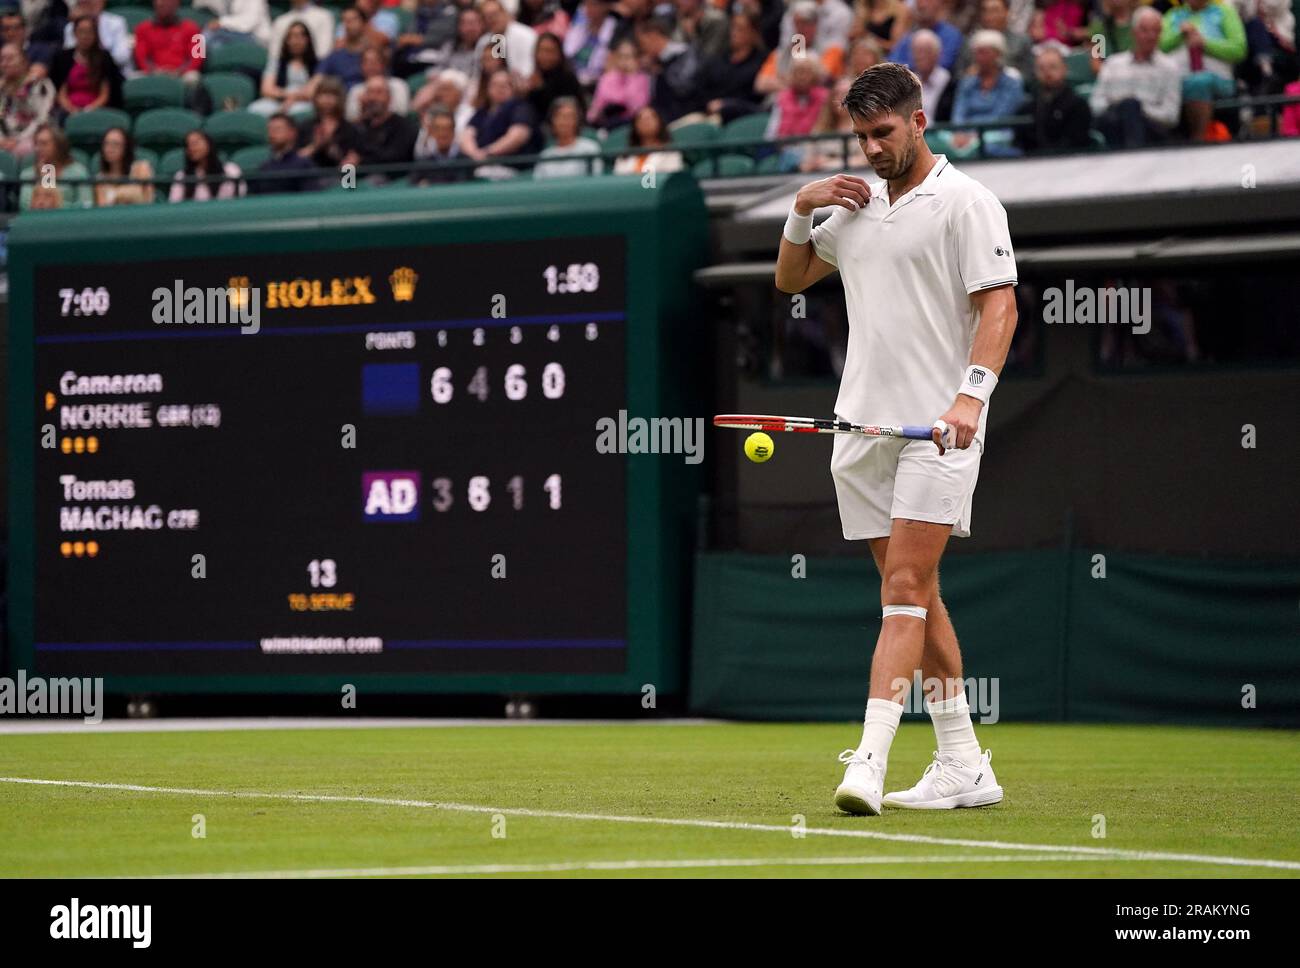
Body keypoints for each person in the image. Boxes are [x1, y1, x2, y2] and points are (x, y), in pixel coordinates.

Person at [775, 62, 1018, 817]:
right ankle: (964, 763)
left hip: (937, 433)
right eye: (860, 137)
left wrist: (970, 397)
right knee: (918, 593)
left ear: (919, 120)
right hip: (861, 431)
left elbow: (999, 306)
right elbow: (791, 279)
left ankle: (870, 761)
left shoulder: (969, 202)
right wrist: (800, 205)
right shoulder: (854, 207)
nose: (872, 149)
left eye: (883, 133)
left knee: (904, 591)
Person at [1090, 6, 1181, 147]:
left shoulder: (1169, 67)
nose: (1150, 36)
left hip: (1148, 122)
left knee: (1131, 107)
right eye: (1145, 30)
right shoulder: (1100, 28)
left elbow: (1170, 115)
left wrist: (1138, 107)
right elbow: (1096, 58)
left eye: (1155, 31)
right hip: (1114, 109)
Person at [1159, 0, 1247, 140]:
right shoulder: (1173, 15)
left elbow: (1239, 50)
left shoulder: (1224, 12)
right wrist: (1179, 35)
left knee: (1198, 81)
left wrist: (1205, 43)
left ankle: (1198, 141)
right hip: (1176, 79)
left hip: (1219, 78)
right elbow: (1158, 47)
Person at [948, 29, 1024, 156]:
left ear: (998, 54)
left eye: (984, 53)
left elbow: (1002, 115)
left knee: (987, 146)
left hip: (997, 134)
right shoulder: (967, 83)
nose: (979, 57)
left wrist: (974, 134)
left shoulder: (1012, 84)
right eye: (976, 53)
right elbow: (958, 113)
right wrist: (959, 132)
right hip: (965, 136)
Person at [459, 67, 540, 173]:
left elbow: (518, 136)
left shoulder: (520, 107)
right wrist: (475, 154)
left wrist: (488, 153)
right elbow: (467, 135)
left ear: (513, 88)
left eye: (504, 85)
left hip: (512, 168)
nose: (499, 89)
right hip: (480, 165)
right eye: (495, 85)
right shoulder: (482, 112)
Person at [1015, 43, 1091, 152]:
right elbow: (1020, 144)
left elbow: (1077, 141)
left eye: (1053, 67)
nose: (1047, 72)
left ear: (1064, 69)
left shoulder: (1078, 105)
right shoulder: (1026, 109)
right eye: (1041, 68)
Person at [700, 9, 767, 124]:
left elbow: (755, 99)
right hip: (709, 114)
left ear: (754, 33)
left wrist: (727, 104)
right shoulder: (719, 59)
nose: (734, 33)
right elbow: (704, 87)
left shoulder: (762, 60)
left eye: (740, 29)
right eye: (733, 28)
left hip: (744, 119)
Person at [342, 74, 416, 177]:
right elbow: (348, 158)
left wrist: (362, 158)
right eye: (369, 92)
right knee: (342, 182)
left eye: (379, 92)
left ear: (389, 97)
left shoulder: (404, 126)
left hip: (392, 182)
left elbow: (394, 160)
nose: (373, 98)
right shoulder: (358, 127)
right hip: (359, 181)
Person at [635, 15, 704, 123]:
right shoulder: (655, 64)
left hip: (686, 116)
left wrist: (662, 70)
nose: (643, 50)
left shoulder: (684, 54)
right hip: (664, 119)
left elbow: (684, 88)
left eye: (644, 44)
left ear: (654, 36)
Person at [51, 13, 122, 114]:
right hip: (68, 110)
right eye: (81, 32)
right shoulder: (63, 58)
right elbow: (60, 92)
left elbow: (105, 94)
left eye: (89, 32)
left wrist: (88, 110)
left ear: (95, 34)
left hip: (97, 109)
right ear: (74, 33)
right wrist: (72, 110)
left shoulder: (104, 58)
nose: (85, 36)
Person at [250, 19, 319, 117]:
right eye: (292, 37)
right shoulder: (276, 63)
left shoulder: (318, 64)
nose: (296, 41)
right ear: (286, 40)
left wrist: (293, 100)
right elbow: (266, 89)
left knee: (298, 112)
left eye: (300, 36)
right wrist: (287, 96)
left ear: (308, 39)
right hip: (279, 100)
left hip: (304, 102)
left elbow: (312, 92)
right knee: (255, 109)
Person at [953, 0, 1035, 81]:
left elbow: (1029, 77)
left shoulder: (1021, 42)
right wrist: (969, 75)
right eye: (985, 11)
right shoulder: (969, 41)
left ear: (1007, 12)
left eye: (994, 10)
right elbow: (957, 75)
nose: (989, 16)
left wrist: (1004, 76)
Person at [0, 42, 55, 158]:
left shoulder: (41, 85)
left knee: (25, 149)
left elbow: (42, 119)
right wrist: (2, 140)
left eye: (10, 59)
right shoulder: (1, 88)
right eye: (1, 59)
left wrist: (18, 140)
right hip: (6, 140)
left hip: (33, 138)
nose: (4, 63)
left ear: (24, 62)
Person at [20, 123, 91, 208]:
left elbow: (86, 204)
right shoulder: (27, 175)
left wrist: (56, 204)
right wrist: (44, 180)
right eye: (36, 144)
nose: (38, 149)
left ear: (58, 146)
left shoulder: (78, 172)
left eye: (44, 144)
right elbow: (24, 206)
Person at [586, 38, 650, 128]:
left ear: (637, 60)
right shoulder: (606, 78)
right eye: (620, 56)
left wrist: (631, 76)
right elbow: (595, 110)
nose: (624, 61)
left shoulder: (642, 79)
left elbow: (637, 108)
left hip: (632, 125)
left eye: (628, 57)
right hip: (607, 124)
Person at [523, 30, 584, 122]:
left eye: (549, 51)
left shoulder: (567, 78)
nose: (544, 56)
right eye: (541, 51)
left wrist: (541, 89)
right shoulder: (535, 77)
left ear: (559, 54)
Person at [134, 0, 202, 81]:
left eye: (166, 2)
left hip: (183, 74)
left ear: (176, 3)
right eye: (158, 2)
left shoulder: (193, 27)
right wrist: (154, 71)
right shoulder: (142, 28)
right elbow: (141, 57)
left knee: (192, 77)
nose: (160, 3)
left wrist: (180, 71)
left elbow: (198, 57)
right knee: (133, 78)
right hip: (152, 73)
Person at [534, 95, 602, 177]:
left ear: (577, 120)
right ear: (552, 121)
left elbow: (595, 180)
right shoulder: (545, 156)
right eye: (560, 116)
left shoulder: (590, 148)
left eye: (569, 116)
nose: (565, 121)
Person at [250, 111, 317, 192]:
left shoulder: (304, 165)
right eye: (269, 129)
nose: (272, 134)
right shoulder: (264, 168)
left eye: (277, 129)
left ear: (292, 133)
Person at [298, 75, 356, 168]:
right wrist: (315, 146)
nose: (327, 99)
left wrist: (330, 146)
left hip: (339, 176)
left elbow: (351, 160)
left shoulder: (349, 128)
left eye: (333, 95)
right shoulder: (306, 126)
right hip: (310, 176)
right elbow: (295, 160)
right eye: (323, 94)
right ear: (316, 97)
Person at [170, 128, 243, 200]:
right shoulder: (181, 176)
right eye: (188, 145)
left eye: (195, 143)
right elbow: (174, 205)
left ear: (209, 144)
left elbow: (240, 199)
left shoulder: (231, 170)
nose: (191, 148)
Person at [889, 0, 962, 72]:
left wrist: (911, 65)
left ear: (939, 3)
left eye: (928, 1)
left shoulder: (950, 35)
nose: (922, 6)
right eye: (919, 1)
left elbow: (942, 65)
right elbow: (892, 61)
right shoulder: (911, 33)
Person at [611, 103, 682, 172]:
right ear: (635, 125)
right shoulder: (624, 156)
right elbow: (618, 180)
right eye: (641, 118)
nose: (645, 122)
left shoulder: (671, 153)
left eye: (650, 118)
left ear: (659, 122)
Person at [343, 44, 408, 121]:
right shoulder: (356, 90)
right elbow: (350, 119)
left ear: (384, 64)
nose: (370, 66)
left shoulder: (398, 85)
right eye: (366, 62)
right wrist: (362, 107)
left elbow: (402, 112)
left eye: (374, 62)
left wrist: (378, 103)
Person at [63, 0, 131, 72]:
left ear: (103, 2)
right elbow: (68, 58)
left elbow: (122, 57)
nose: (90, 4)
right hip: (82, 75)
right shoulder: (70, 27)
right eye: (86, 2)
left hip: (115, 74)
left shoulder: (116, 23)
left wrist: (95, 62)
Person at [94, 125, 154, 205]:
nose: (109, 149)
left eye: (116, 144)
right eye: (106, 144)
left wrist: (115, 195)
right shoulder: (100, 179)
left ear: (126, 147)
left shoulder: (141, 168)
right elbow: (102, 209)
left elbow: (148, 199)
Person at [564, 0, 619, 87]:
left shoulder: (615, 30)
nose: (588, 8)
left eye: (593, 4)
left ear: (606, 6)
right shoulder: (578, 27)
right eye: (586, 4)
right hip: (573, 80)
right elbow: (567, 53)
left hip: (598, 83)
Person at [319, 5, 374, 90]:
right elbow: (318, 78)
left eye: (354, 19)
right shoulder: (336, 54)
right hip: (341, 97)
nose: (349, 24)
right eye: (346, 20)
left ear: (364, 23)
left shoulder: (373, 53)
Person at [411, 103, 470, 182]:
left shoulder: (466, 162)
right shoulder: (423, 164)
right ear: (432, 132)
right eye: (438, 128)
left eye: (447, 128)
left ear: (453, 131)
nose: (443, 134)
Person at [268, 0, 334, 60]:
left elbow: (323, 53)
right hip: (285, 69)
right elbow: (274, 55)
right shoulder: (280, 21)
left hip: (316, 68)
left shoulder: (324, 17)